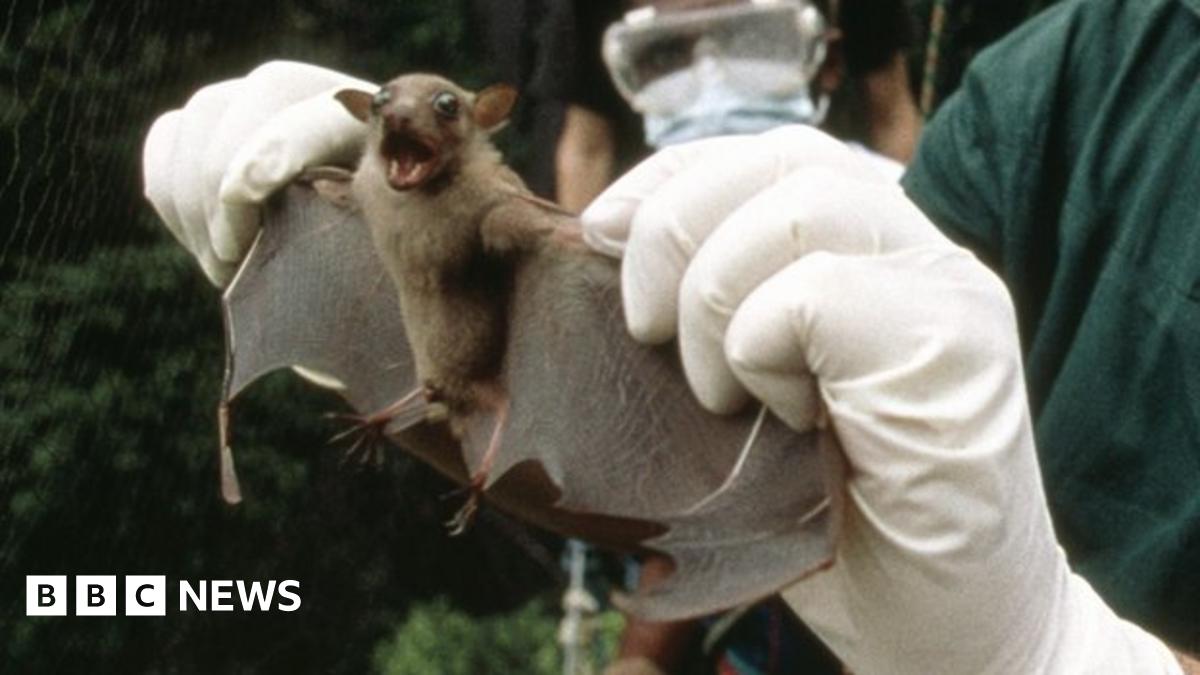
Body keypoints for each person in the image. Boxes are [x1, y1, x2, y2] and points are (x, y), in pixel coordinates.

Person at [140, 0, 1200, 672]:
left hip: (814, 319)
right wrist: (436, 275)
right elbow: (596, 177)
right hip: (676, 311)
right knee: (724, 397)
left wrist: (1051, 658)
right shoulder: (1086, 68)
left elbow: (895, 132)